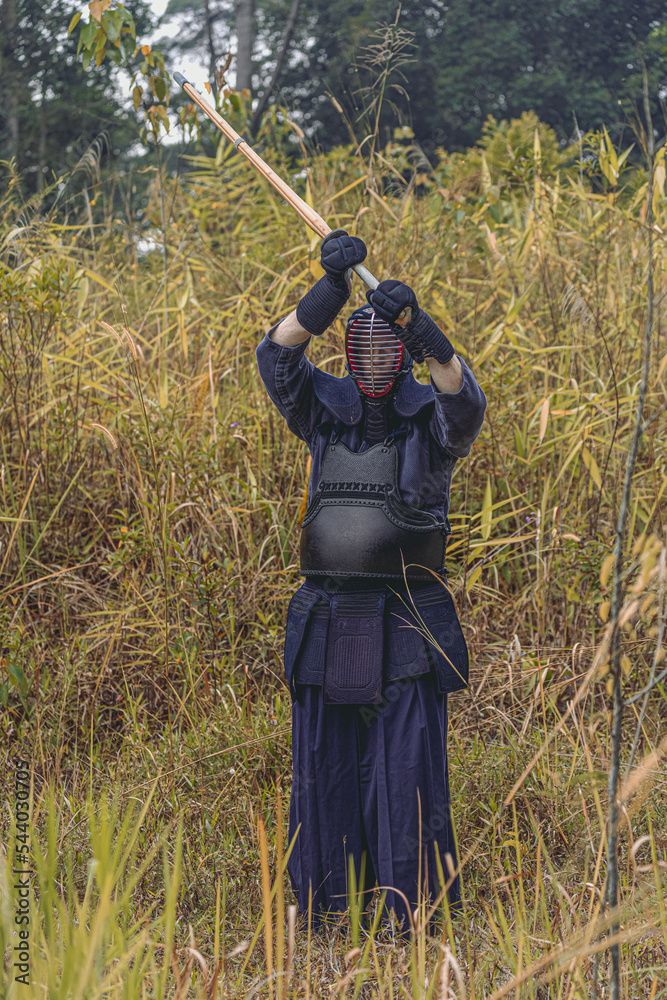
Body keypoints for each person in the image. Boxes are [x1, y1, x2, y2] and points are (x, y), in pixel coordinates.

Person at [256, 231, 486, 937]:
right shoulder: (322, 414)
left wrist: (421, 330)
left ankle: (405, 917)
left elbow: (461, 394)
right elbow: (277, 356)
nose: (377, 357)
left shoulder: (432, 427)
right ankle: (326, 914)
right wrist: (328, 291)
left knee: (403, 775)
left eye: (389, 347)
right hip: (325, 615)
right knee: (324, 771)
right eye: (368, 346)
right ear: (348, 358)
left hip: (405, 619)